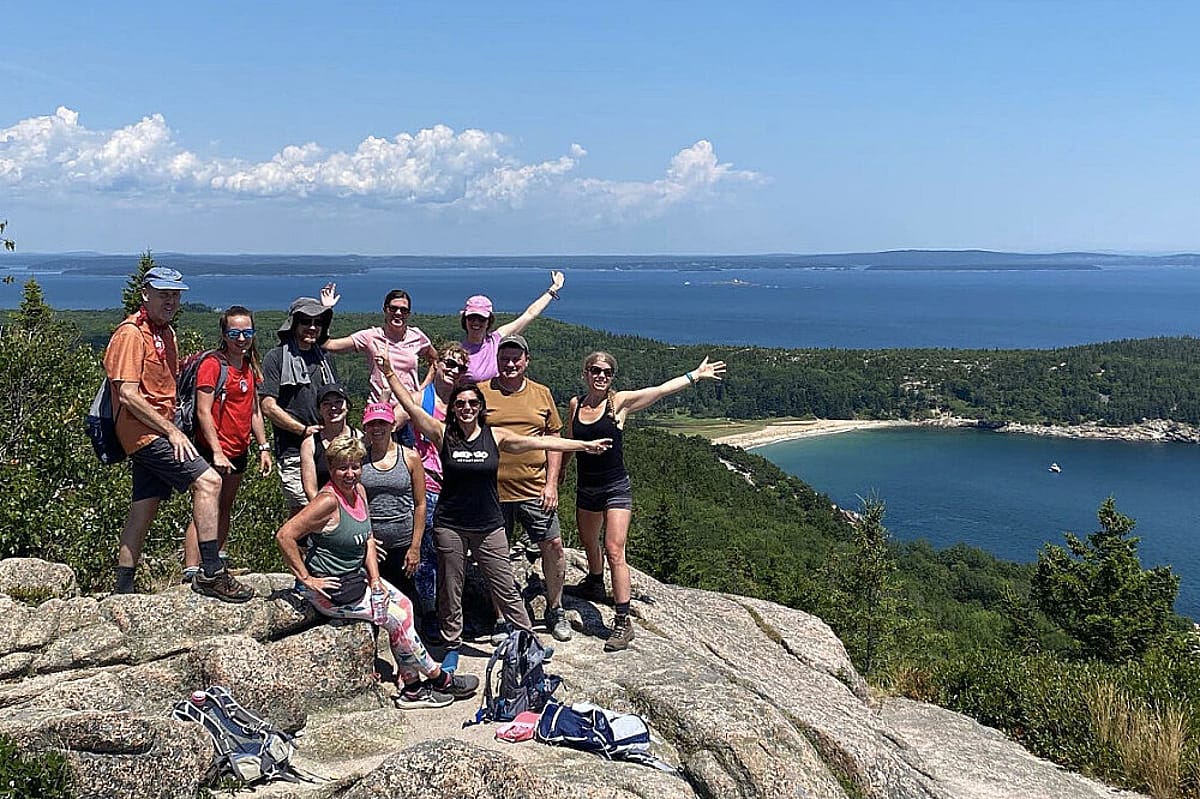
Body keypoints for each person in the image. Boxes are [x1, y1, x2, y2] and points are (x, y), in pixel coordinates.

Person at [377, 347, 612, 654]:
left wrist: (583, 445)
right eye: (460, 403)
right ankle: (451, 646)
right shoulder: (442, 433)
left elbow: (539, 441)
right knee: (451, 588)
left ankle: (528, 642)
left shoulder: (495, 436)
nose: (466, 408)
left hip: (489, 523)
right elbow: (409, 404)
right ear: (453, 408)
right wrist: (389, 372)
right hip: (451, 524)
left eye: (473, 403)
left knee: (505, 585)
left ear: (481, 407)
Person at [275, 436, 478, 708]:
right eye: (342, 468)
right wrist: (306, 578)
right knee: (396, 618)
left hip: (357, 579)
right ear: (331, 468)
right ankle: (439, 678)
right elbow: (285, 535)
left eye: (355, 466)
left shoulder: (359, 491)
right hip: (333, 590)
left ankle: (413, 689)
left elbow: (369, 538)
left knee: (404, 606)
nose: (350, 474)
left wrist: (375, 579)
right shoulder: (327, 501)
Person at [103, 266, 253, 602]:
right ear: (145, 294)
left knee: (144, 506)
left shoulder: (166, 333)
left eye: (175, 295)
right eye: (163, 294)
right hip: (146, 433)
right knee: (209, 482)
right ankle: (211, 572)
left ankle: (123, 588)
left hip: (155, 430)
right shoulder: (131, 334)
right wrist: (172, 431)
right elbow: (128, 394)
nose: (170, 301)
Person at [563, 352, 726, 652]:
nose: (601, 376)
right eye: (595, 370)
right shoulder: (576, 404)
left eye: (607, 372)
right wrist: (560, 473)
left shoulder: (619, 403)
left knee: (614, 549)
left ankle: (622, 621)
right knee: (588, 542)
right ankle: (595, 581)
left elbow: (660, 391)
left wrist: (695, 375)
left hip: (615, 487)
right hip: (587, 488)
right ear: (585, 373)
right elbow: (571, 442)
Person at [477, 334, 572, 642]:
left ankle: (555, 609)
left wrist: (552, 483)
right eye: (504, 358)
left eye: (516, 358)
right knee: (495, 554)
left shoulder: (541, 394)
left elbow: (554, 440)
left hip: (534, 488)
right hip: (491, 491)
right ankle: (502, 618)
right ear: (497, 361)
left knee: (553, 546)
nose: (510, 364)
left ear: (526, 361)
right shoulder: (481, 393)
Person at [182, 306, 273, 582]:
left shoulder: (249, 366)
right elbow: (203, 411)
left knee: (225, 506)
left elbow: (254, 411)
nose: (241, 338)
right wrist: (217, 451)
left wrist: (263, 447)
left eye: (247, 332)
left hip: (238, 449)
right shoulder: (213, 365)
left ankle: (217, 562)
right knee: (205, 507)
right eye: (235, 333)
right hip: (212, 449)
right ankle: (191, 569)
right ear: (224, 334)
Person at [260, 297, 339, 515]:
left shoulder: (325, 358)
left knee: (331, 512)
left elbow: (336, 398)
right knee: (303, 513)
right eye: (306, 321)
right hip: (293, 450)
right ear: (294, 323)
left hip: (327, 448)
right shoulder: (276, 358)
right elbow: (267, 405)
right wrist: (303, 430)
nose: (312, 327)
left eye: (318, 322)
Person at [360, 400, 429, 623]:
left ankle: (416, 637)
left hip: (403, 542)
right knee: (374, 600)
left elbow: (420, 503)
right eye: (372, 424)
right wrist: (367, 539)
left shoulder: (410, 457)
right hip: (372, 544)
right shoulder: (360, 459)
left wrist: (415, 547)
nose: (377, 428)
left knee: (407, 598)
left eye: (382, 423)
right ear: (365, 427)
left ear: (393, 425)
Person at [318, 286, 436, 401]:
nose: (398, 313)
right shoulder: (370, 337)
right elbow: (329, 345)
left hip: (410, 408)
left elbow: (435, 361)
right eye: (393, 308)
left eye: (404, 310)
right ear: (385, 310)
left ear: (408, 314)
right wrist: (326, 310)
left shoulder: (416, 336)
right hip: (379, 407)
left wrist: (423, 389)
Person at [460, 270, 565, 382]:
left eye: (481, 319)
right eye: (471, 318)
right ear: (465, 320)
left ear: (488, 321)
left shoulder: (496, 340)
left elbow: (529, 315)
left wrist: (553, 289)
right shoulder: (459, 352)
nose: (476, 322)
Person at [300, 384, 363, 501]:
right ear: (319, 410)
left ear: (347, 406)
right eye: (326, 404)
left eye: (338, 402)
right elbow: (310, 489)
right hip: (323, 506)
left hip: (356, 505)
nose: (333, 407)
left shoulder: (360, 438)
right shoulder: (310, 444)